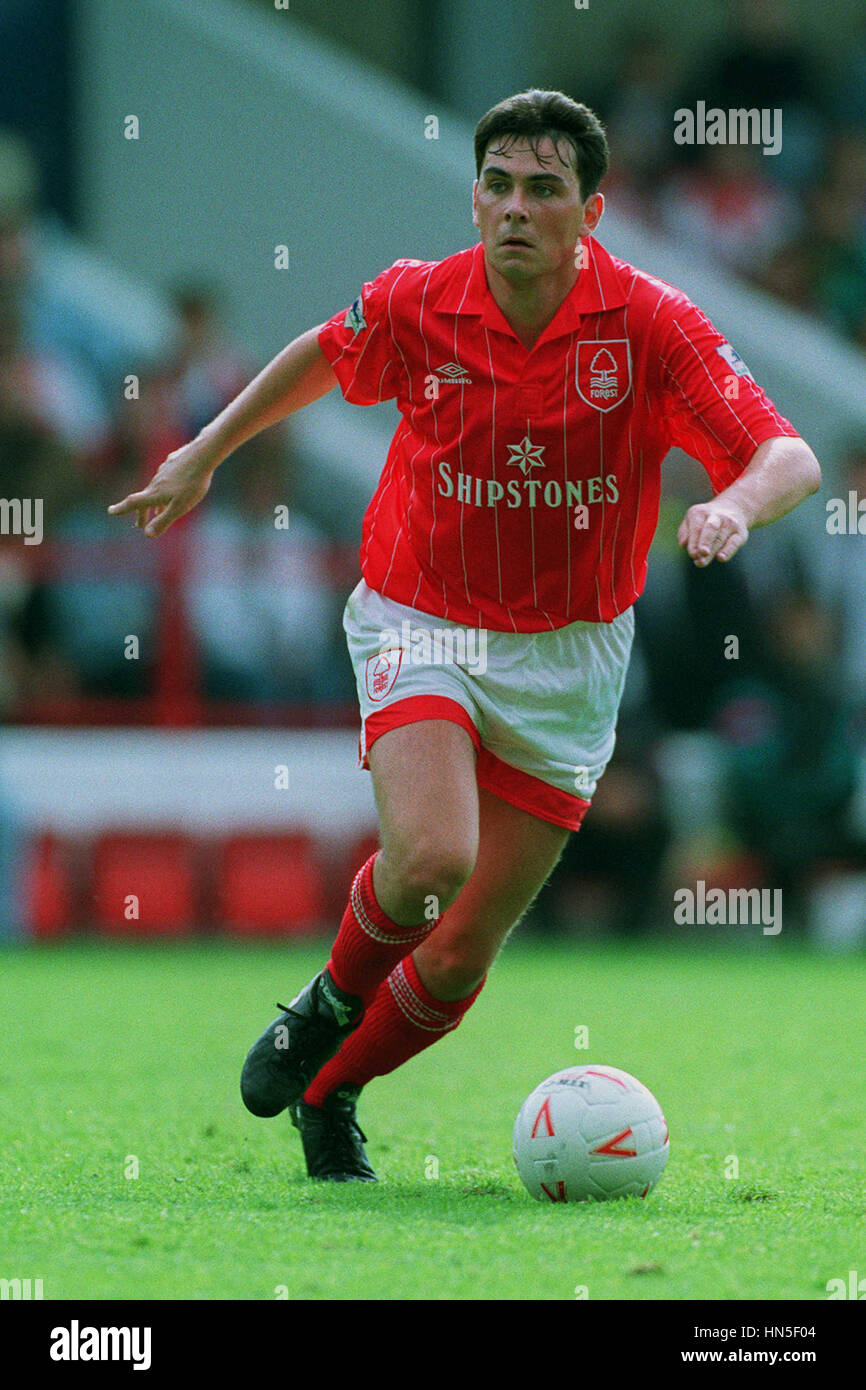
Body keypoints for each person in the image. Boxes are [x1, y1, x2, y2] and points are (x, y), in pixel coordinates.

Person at [108, 90, 821, 1183]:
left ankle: (330, 1089)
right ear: (475, 194)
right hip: (421, 614)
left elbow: (786, 455)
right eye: (496, 185)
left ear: (591, 208)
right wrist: (205, 448)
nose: (513, 209)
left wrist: (730, 506)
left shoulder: (648, 325)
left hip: (570, 659)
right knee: (433, 860)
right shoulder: (420, 300)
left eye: (542, 189)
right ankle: (328, 1001)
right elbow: (322, 348)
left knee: (459, 945)